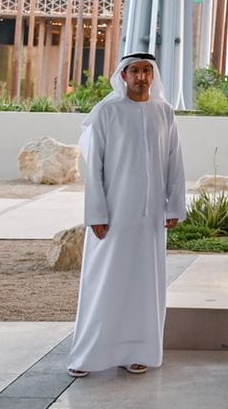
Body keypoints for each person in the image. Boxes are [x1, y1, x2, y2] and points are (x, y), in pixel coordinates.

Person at [68, 52, 187, 377]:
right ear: (123, 75)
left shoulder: (164, 112)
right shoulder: (107, 112)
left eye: (147, 70)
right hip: (113, 216)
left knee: (144, 286)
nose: (141, 77)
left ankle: (138, 352)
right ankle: (87, 356)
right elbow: (94, 166)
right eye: (135, 70)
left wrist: (174, 206)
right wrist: (96, 213)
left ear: (153, 75)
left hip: (150, 219)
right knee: (104, 282)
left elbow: (174, 162)